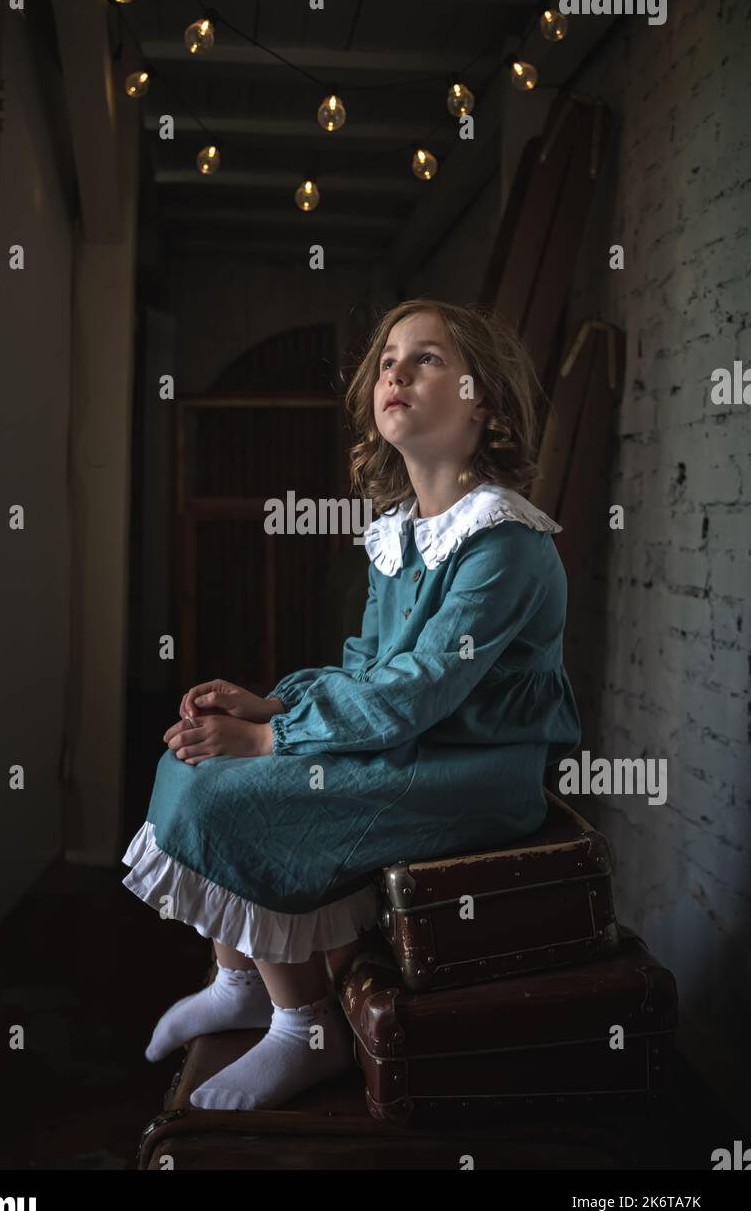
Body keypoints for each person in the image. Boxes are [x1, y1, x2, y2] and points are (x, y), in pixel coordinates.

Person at [121, 298, 582, 1110]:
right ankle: (241, 982)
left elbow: (416, 691)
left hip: (470, 771)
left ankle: (307, 1026)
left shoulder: (504, 541)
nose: (395, 372)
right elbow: (369, 667)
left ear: (483, 399)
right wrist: (270, 706)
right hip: (412, 738)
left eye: (428, 359)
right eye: (388, 360)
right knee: (187, 762)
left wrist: (271, 742)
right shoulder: (398, 533)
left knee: (238, 796)